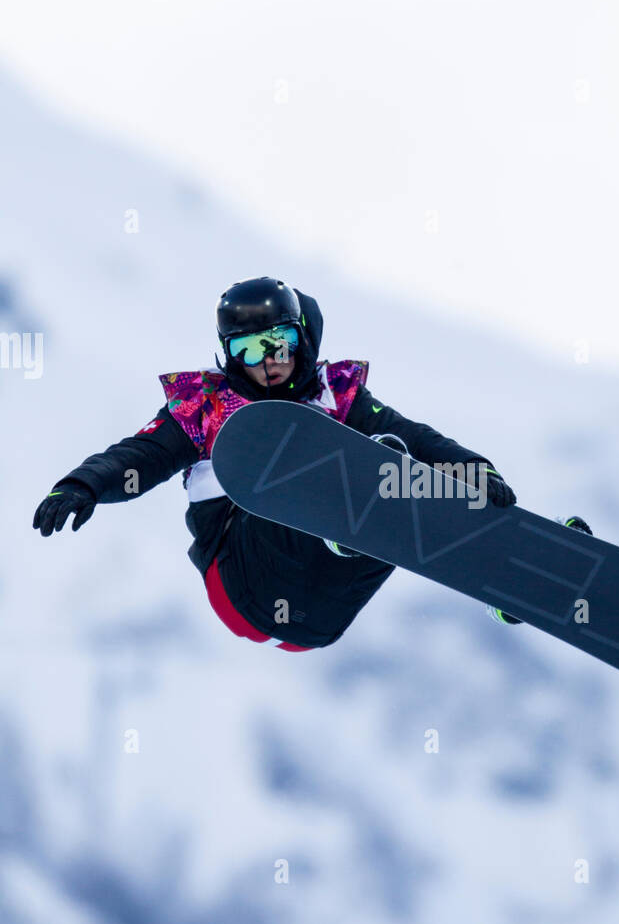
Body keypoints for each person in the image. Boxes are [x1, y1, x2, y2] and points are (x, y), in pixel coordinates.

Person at [34, 278, 586, 653]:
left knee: (396, 454)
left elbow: (421, 441)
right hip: (247, 590)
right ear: (228, 355)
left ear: (302, 340)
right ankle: (343, 517)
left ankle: (512, 578)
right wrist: (82, 486)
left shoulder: (338, 398)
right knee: (325, 456)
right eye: (249, 350)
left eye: (278, 343)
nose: (268, 362)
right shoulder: (203, 409)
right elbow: (140, 455)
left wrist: (474, 473)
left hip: (325, 608)